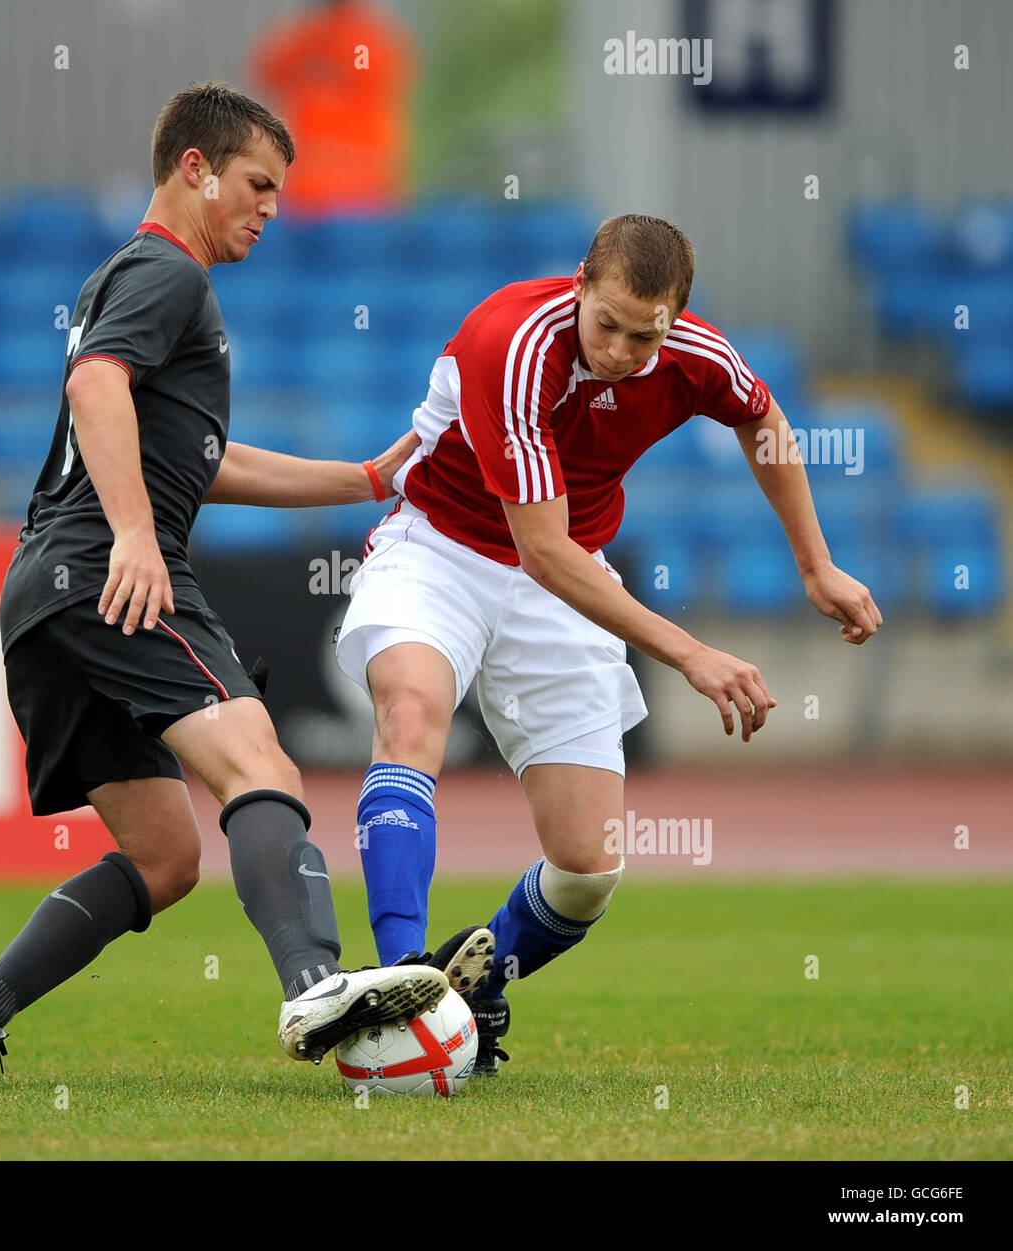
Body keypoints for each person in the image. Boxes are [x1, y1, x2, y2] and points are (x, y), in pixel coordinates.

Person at [0, 81, 461, 1088]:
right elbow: (94, 389)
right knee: (262, 766)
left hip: (44, 591)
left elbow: (192, 458)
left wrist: (363, 480)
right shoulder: (170, 275)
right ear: (193, 169)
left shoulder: (129, 280)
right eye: (256, 183)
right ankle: (314, 986)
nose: (271, 206)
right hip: (105, 573)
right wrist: (133, 537)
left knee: (165, 860)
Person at [335, 213, 884, 1076]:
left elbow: (764, 419)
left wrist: (816, 565)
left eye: (647, 333)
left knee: (588, 868)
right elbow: (540, 550)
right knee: (410, 713)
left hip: (566, 571)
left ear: (679, 316)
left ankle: (462, 990)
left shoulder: (697, 353)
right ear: (582, 280)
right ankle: (400, 969)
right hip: (442, 548)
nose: (624, 350)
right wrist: (692, 654)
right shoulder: (512, 344)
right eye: (609, 324)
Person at [250, 0, 416, 217]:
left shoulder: (365, 42)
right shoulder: (307, 41)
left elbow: (373, 71)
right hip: (309, 192)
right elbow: (268, 69)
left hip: (359, 193)